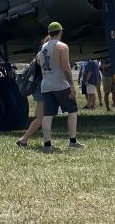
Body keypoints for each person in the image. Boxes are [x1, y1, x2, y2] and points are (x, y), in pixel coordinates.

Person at [36, 21, 83, 151]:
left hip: (46, 84)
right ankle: (72, 141)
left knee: (48, 115)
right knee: (72, 110)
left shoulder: (43, 47)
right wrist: (72, 86)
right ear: (60, 32)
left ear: (49, 33)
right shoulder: (62, 46)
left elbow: (39, 61)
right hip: (60, 84)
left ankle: (47, 145)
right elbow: (66, 68)